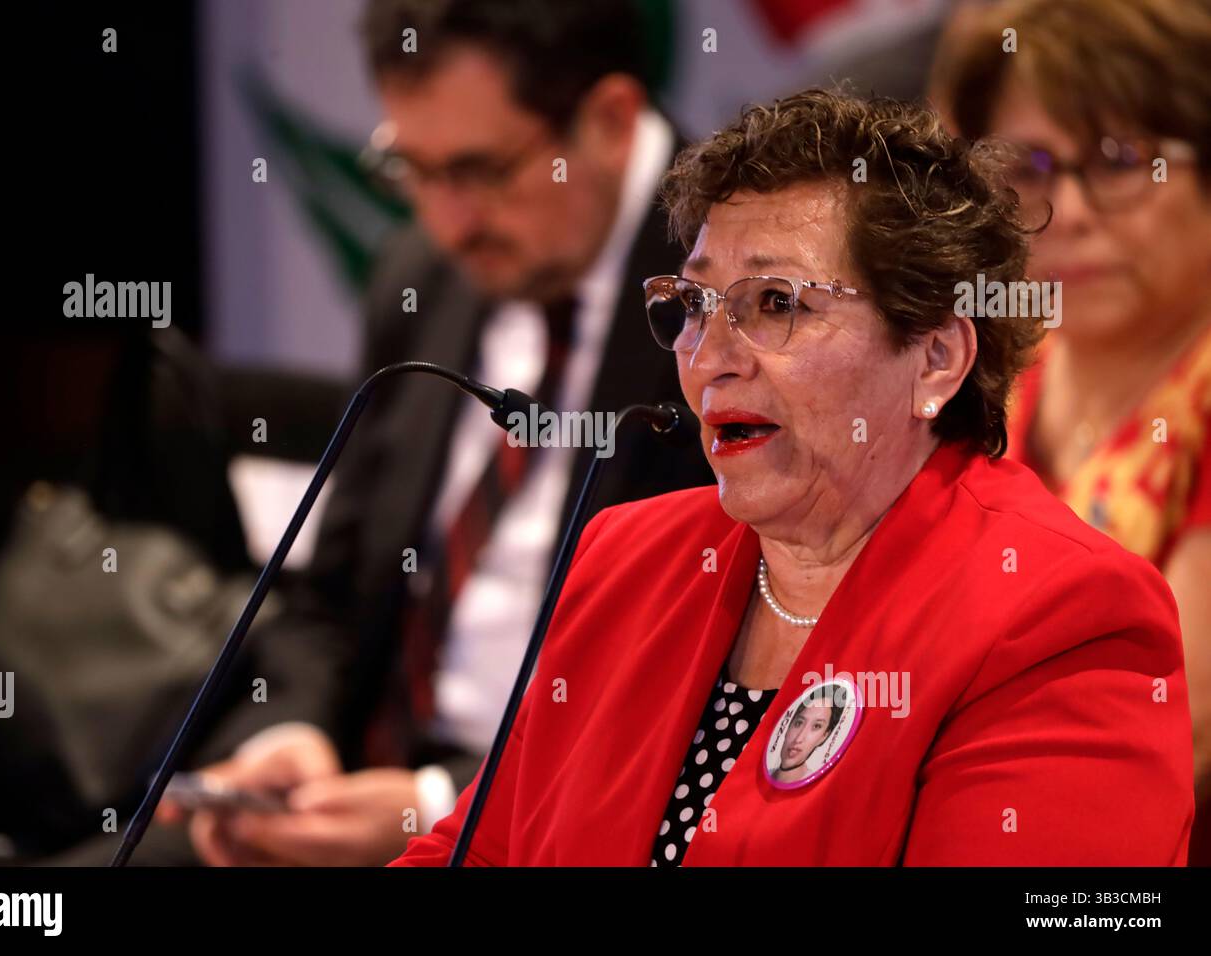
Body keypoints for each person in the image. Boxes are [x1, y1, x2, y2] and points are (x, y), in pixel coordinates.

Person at [390, 89, 1193, 867]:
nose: (708, 362)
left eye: (776, 303)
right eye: (696, 305)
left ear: (937, 357)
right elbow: (478, 854)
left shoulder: (1059, 619)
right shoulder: (625, 559)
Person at [153, 0, 713, 866]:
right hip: (353, 793)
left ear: (608, 120)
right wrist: (292, 730)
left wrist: (446, 805)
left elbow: (723, 678)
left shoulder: (744, 297)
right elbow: (331, 595)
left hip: (573, 823)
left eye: (482, 170)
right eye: (410, 168)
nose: (449, 220)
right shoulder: (424, 279)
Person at [935, 0, 1211, 863]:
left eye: (1122, 162)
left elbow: (1178, 725)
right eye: (1032, 169)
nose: (1072, 213)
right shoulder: (975, 378)